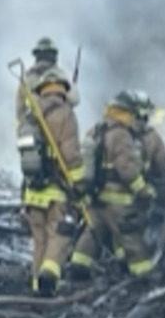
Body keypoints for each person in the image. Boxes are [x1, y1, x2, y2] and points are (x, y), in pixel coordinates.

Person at [66, 91, 156, 282]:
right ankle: (144, 276)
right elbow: (127, 168)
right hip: (118, 200)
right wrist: (143, 189)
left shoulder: (96, 130)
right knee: (131, 236)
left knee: (92, 233)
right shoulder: (121, 134)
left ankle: (78, 267)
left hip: (96, 198)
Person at [17, 66, 85, 297]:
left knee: (39, 242)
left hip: (32, 191)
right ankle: (49, 281)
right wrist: (79, 185)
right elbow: (71, 156)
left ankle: (35, 287)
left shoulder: (29, 115)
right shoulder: (65, 114)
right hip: (56, 190)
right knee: (59, 236)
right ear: (62, 90)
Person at [15, 37, 80, 127]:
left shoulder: (26, 79)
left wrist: (23, 127)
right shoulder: (61, 75)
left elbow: (20, 110)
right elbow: (74, 100)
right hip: (60, 127)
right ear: (54, 55)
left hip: (33, 127)